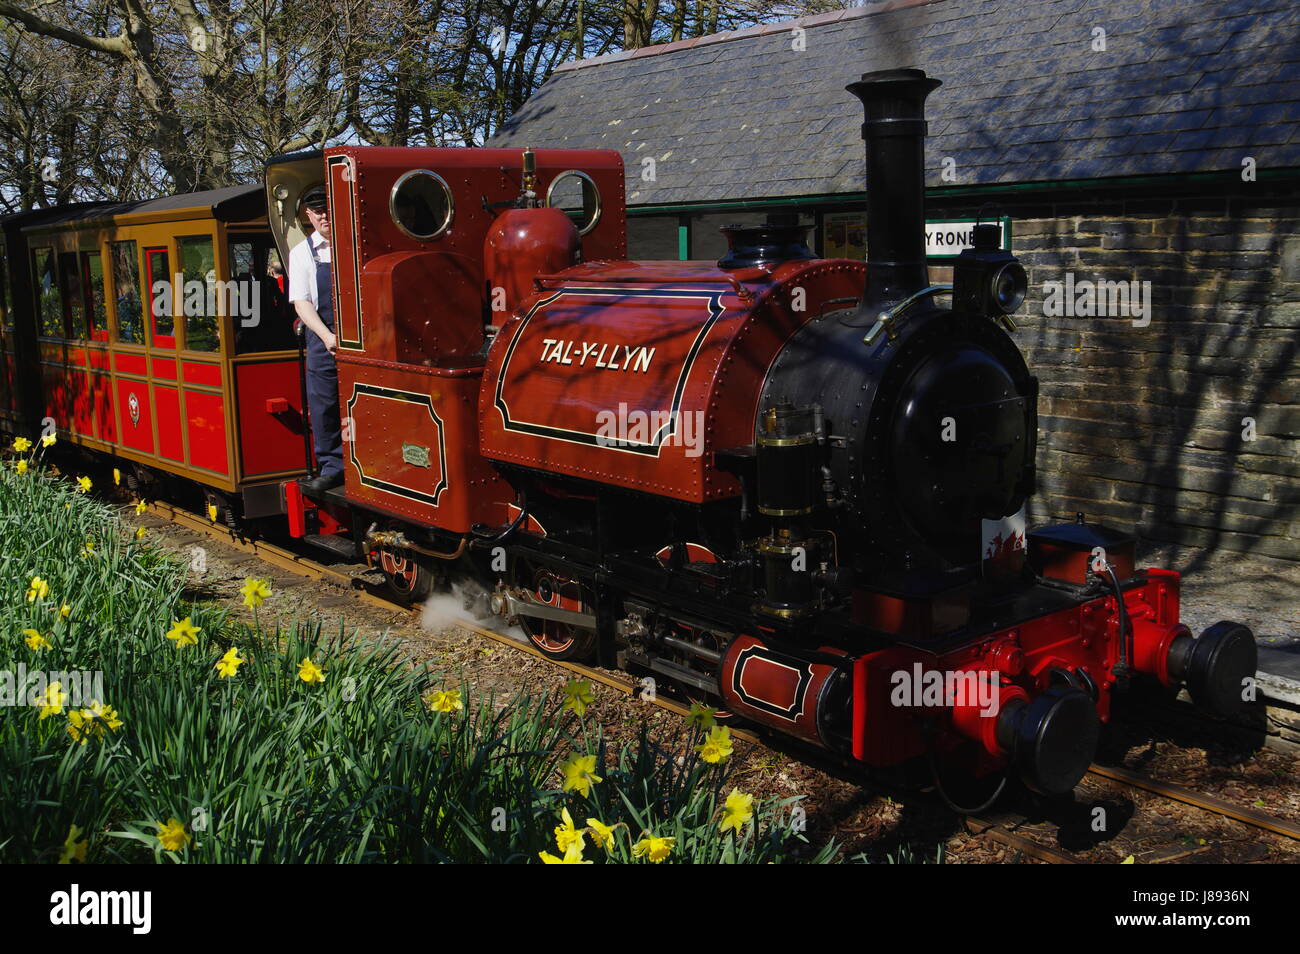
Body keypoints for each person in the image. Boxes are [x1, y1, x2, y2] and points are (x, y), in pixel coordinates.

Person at [288, 186, 343, 491]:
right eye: (317, 211)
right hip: (325, 337)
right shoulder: (301, 253)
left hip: (363, 336)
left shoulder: (354, 245)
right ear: (309, 215)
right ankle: (333, 465)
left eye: (327, 209)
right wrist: (327, 337)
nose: (324, 215)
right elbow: (302, 302)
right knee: (324, 404)